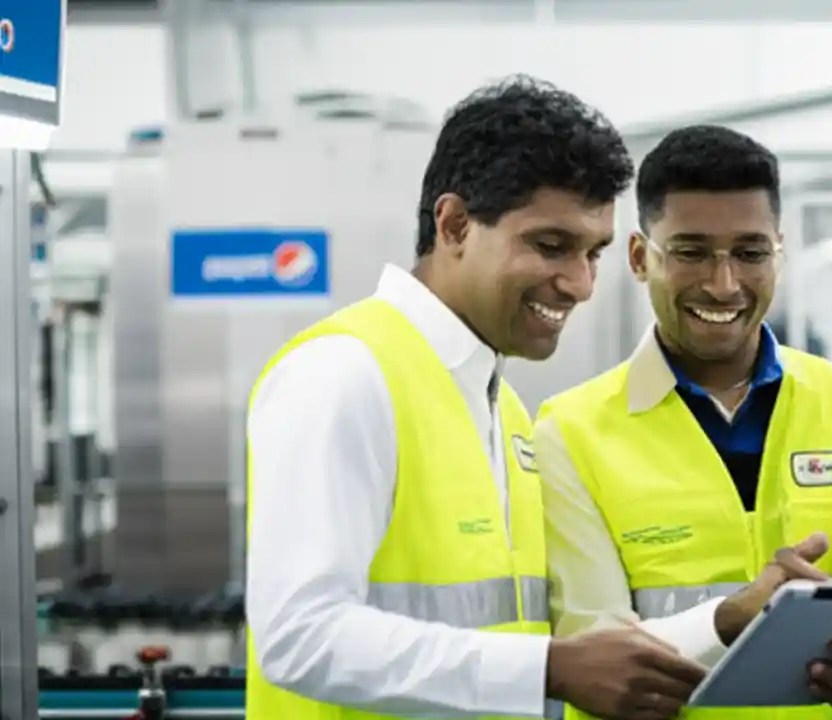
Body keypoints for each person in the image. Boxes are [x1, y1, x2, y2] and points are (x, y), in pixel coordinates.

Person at [244, 76, 714, 720]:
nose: (580, 284)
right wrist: (547, 669)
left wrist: (732, 619)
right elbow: (298, 635)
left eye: (593, 254)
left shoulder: (504, 408)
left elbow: (564, 648)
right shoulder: (344, 375)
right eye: (550, 246)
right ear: (456, 224)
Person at [534, 125, 832, 719]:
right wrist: (731, 619)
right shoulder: (570, 433)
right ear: (639, 257)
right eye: (690, 253)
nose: (724, 284)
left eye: (750, 253)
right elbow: (596, 656)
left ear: (778, 252)